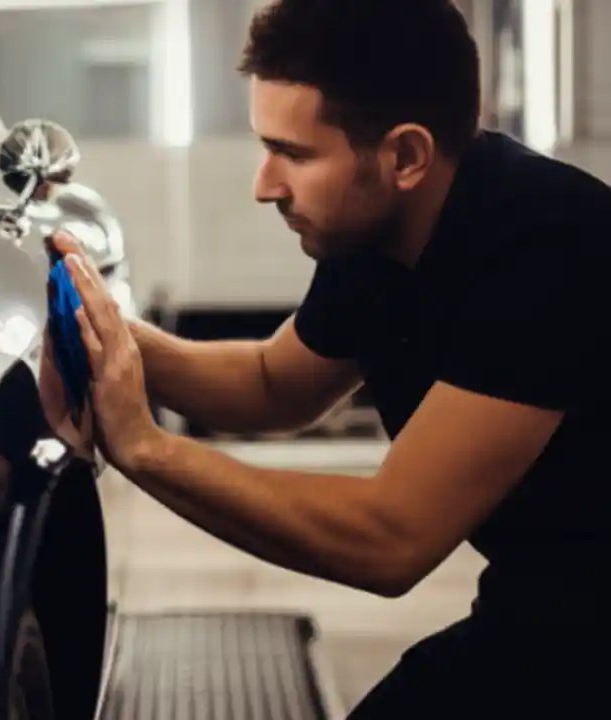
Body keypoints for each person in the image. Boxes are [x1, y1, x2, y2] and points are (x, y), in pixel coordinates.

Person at [50, 0, 611, 717]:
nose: (264, 185)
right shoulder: (379, 234)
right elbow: (271, 384)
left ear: (405, 155)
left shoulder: (547, 247)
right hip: (550, 602)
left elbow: (389, 538)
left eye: (296, 153)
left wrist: (144, 448)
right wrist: (97, 328)